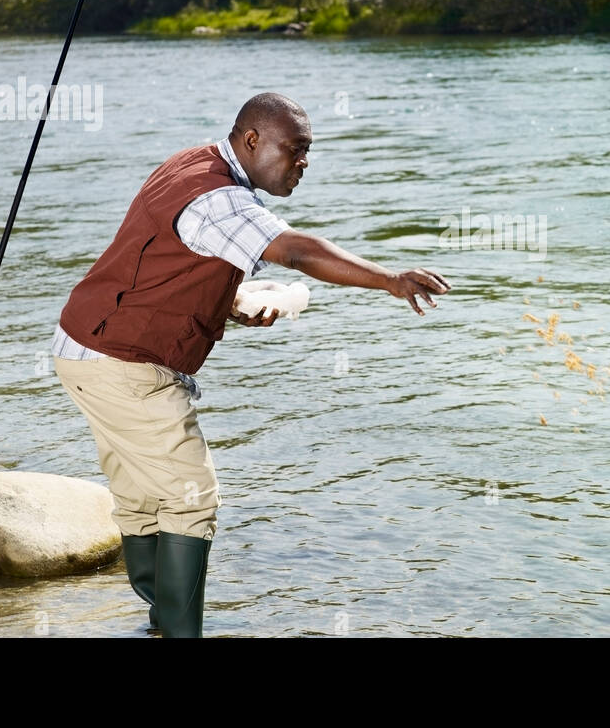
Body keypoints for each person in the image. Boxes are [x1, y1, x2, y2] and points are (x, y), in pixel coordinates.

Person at [50, 91, 452, 637]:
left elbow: (169, 260)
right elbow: (299, 251)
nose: (303, 164)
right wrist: (389, 279)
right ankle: (178, 632)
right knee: (192, 500)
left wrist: (229, 302)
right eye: (296, 150)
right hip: (126, 365)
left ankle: (159, 623)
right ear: (253, 140)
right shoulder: (221, 198)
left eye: (308, 152)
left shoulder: (191, 162)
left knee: (144, 496)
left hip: (82, 350)